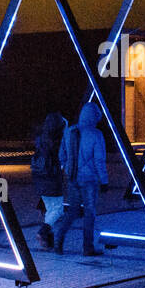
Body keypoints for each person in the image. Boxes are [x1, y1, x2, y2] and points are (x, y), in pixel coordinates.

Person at [53, 103, 108, 256]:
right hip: (89, 180)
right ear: (95, 116)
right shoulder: (96, 134)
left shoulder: (70, 131)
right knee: (90, 213)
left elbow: (61, 154)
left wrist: (66, 168)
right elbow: (99, 160)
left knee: (72, 211)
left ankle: (58, 240)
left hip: (72, 179)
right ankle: (87, 247)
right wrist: (104, 181)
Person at [31, 112, 67, 250]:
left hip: (40, 177)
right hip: (52, 178)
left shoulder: (41, 138)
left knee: (50, 209)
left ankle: (47, 242)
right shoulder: (56, 141)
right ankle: (43, 232)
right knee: (58, 210)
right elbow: (61, 158)